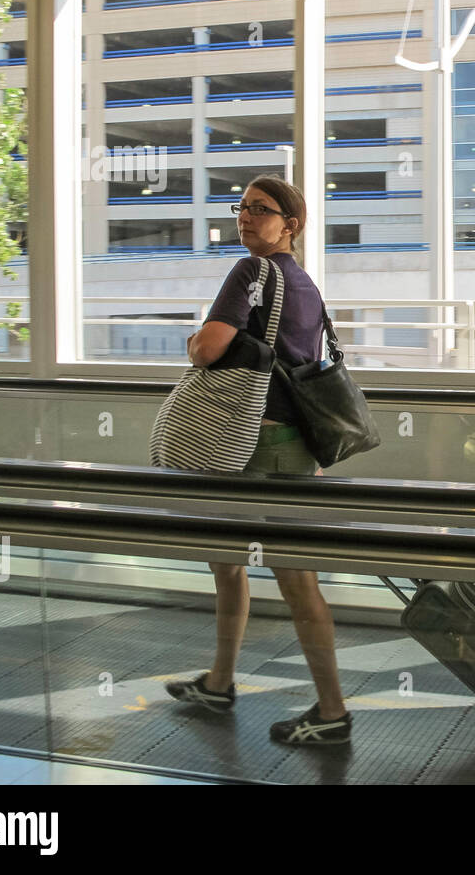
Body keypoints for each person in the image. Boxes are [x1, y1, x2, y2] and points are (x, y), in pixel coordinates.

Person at [163, 176, 352, 745]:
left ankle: (332, 712)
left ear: (289, 224)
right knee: (235, 564)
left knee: (281, 576)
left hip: (250, 447)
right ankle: (220, 682)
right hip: (292, 446)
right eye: (242, 207)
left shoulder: (250, 273)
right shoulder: (306, 286)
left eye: (261, 210)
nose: (246, 217)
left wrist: (196, 342)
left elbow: (208, 348)